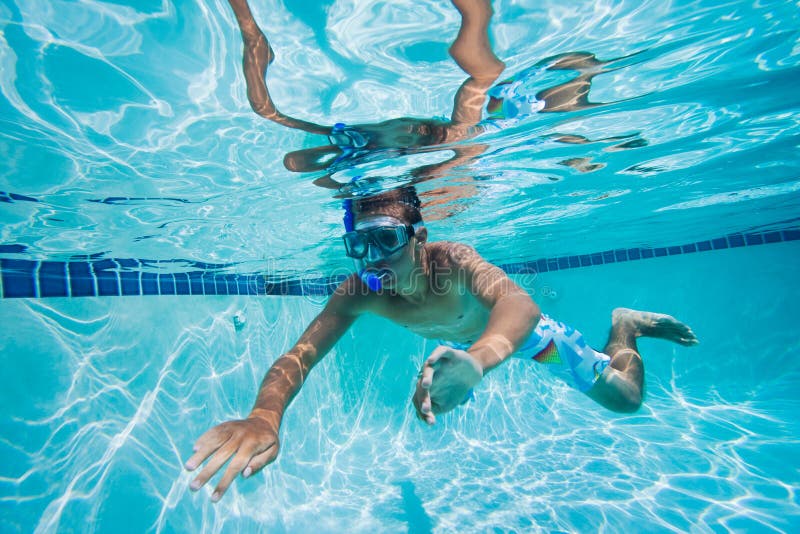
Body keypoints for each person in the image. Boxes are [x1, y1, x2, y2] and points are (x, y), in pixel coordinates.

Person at [185, 186, 698, 502]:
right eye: (359, 246)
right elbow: (299, 357)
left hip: (515, 340)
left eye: (386, 239)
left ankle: (625, 325)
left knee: (626, 400)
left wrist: (478, 360)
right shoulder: (361, 291)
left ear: (419, 236)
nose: (373, 259)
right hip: (465, 351)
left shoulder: (452, 261)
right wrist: (264, 416)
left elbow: (520, 308)